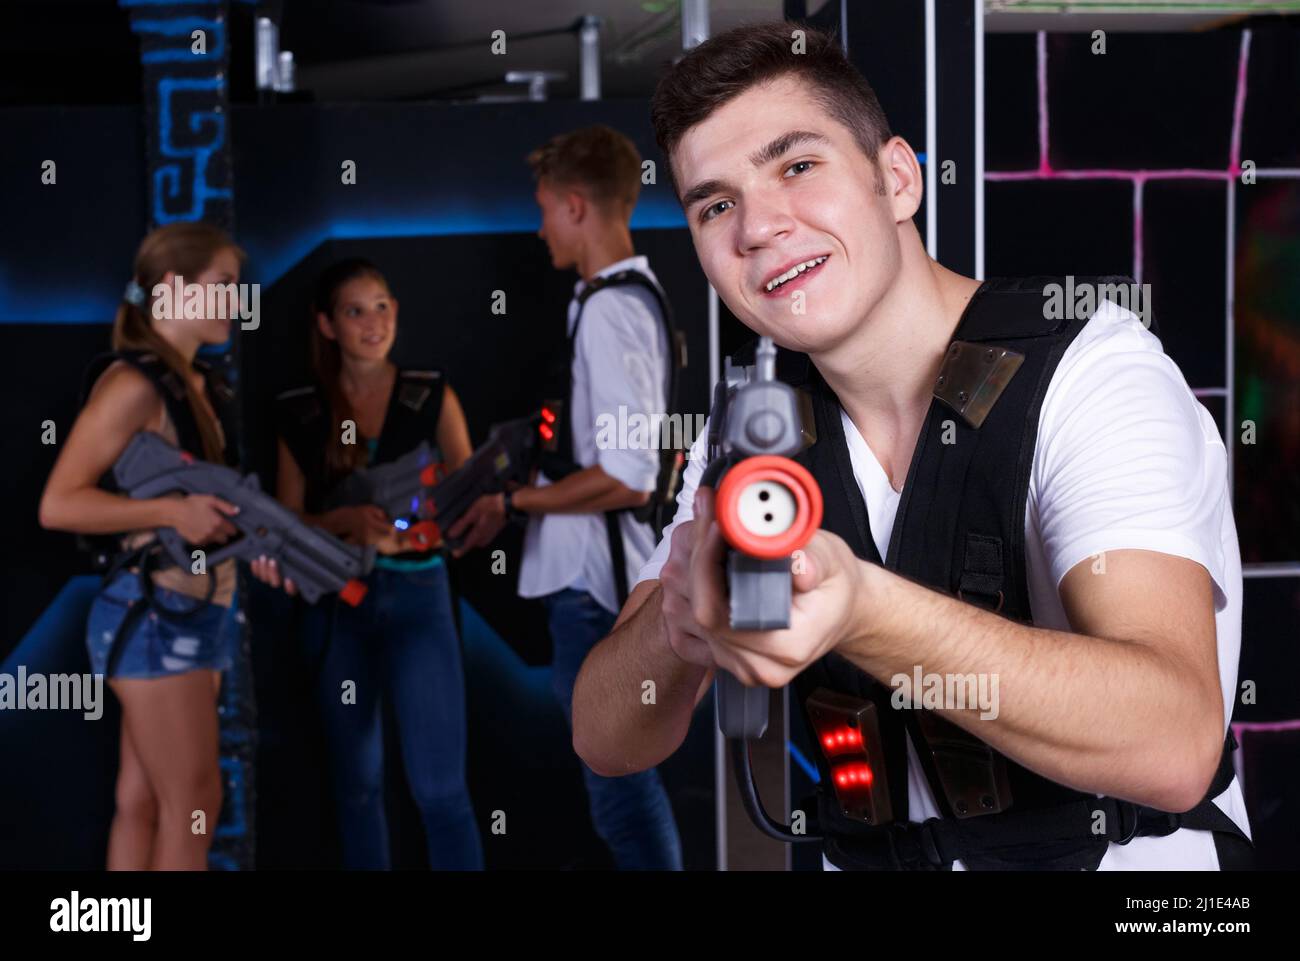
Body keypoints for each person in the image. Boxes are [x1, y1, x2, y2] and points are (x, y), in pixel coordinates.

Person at [571, 21, 1253, 870]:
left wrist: (862, 607)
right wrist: (676, 621)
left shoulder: (1093, 372)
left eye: (797, 166)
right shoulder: (751, 427)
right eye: (716, 205)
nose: (758, 226)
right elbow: (605, 736)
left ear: (898, 179)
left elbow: (1174, 741)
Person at [451, 125, 684, 870]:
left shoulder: (612, 309)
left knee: (622, 794)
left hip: (593, 592)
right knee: (621, 790)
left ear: (576, 206)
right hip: (590, 586)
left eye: (545, 208)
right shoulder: (608, 301)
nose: (540, 227)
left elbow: (628, 476)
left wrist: (517, 504)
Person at [39, 222, 293, 870]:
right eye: (224, 284)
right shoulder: (133, 384)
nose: (236, 300)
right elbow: (59, 503)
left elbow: (211, 520)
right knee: (195, 803)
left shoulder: (201, 384)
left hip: (190, 609)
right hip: (155, 614)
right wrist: (171, 511)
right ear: (175, 286)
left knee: (145, 801)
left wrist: (257, 549)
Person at [269, 258, 484, 870]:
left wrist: (429, 528)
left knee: (441, 791)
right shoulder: (300, 410)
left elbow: (472, 500)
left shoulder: (431, 393)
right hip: (339, 605)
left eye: (382, 306)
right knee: (357, 785)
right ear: (327, 325)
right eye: (355, 311)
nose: (373, 322)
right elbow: (283, 522)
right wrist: (345, 522)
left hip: (420, 597)